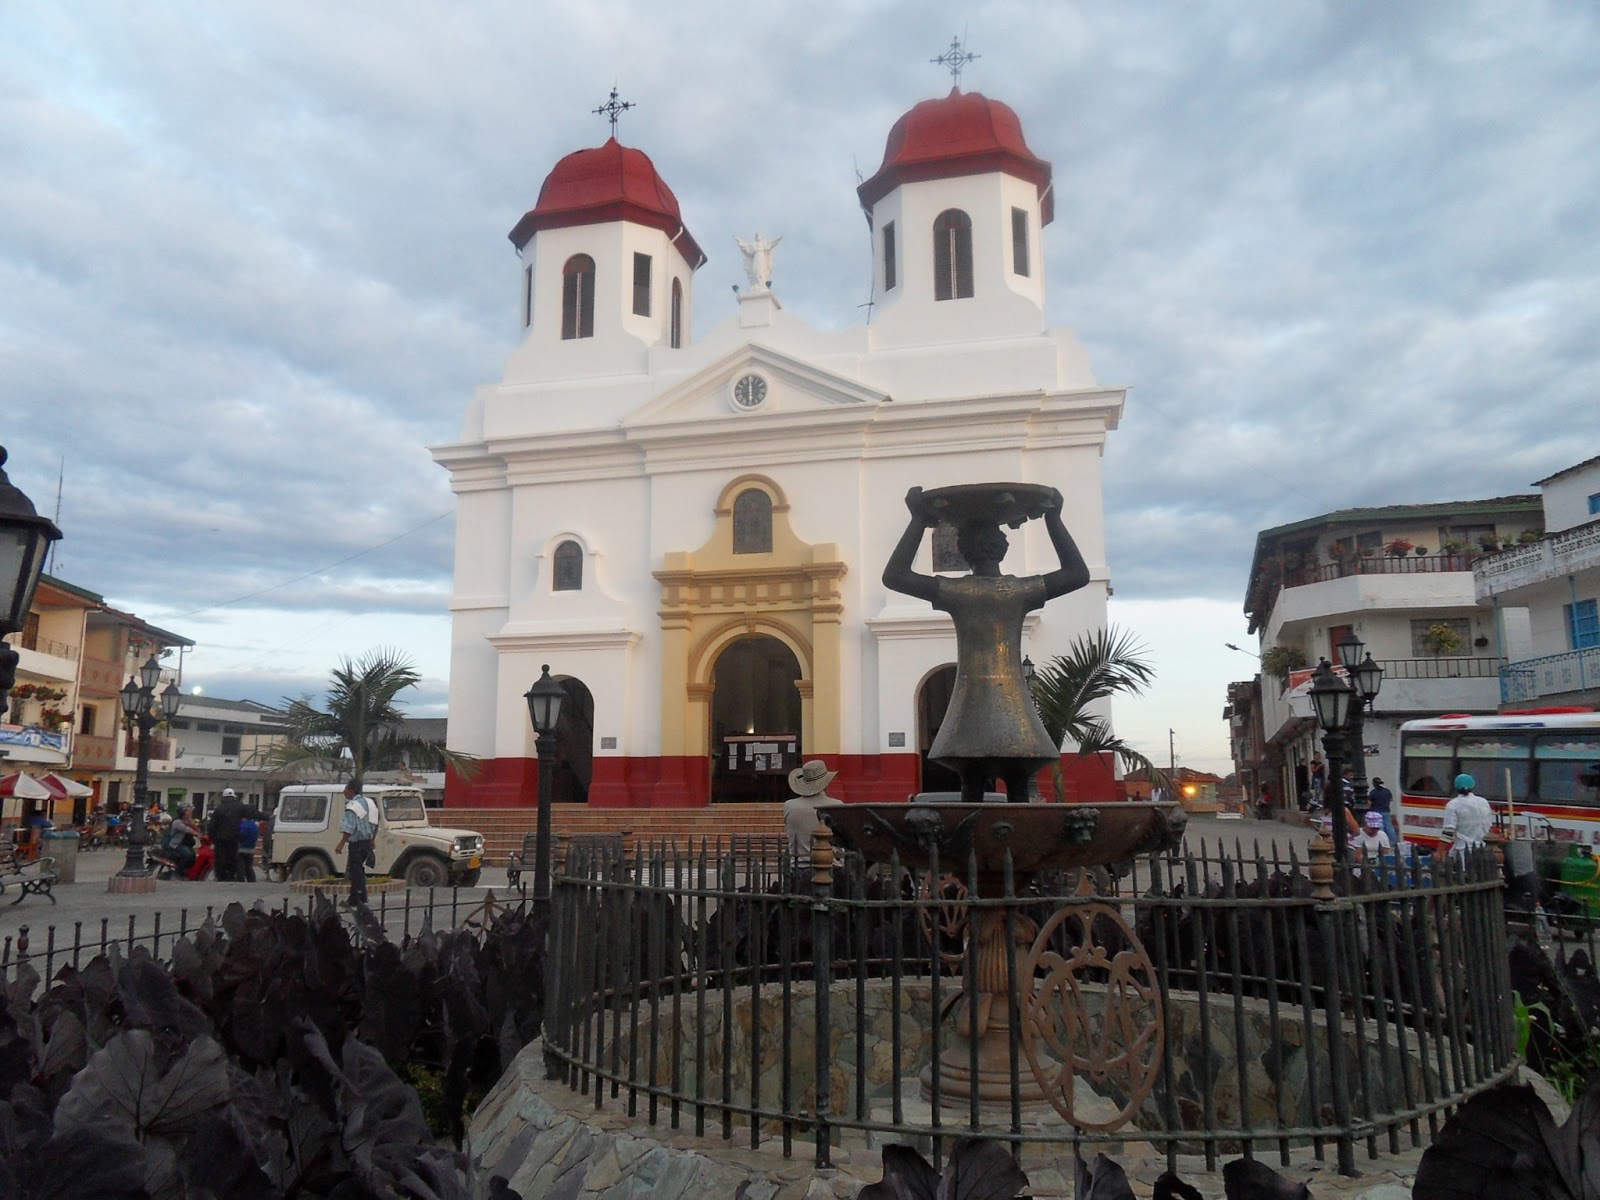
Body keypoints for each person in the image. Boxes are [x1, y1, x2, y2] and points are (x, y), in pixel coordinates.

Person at [883, 484, 1090, 802]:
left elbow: (895, 576)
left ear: (964, 552)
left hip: (968, 715)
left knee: (971, 788)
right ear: (1002, 549)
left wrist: (918, 521)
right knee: (1020, 790)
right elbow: (1077, 573)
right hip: (1017, 714)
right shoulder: (1020, 591)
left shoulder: (958, 592)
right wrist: (1054, 520)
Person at [783, 760, 845, 861]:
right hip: (830, 864)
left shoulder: (789, 806)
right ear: (826, 783)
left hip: (799, 865)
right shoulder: (837, 805)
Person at [334, 779, 379, 907]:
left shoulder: (352, 806)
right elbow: (376, 821)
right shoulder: (369, 802)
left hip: (357, 843)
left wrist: (341, 844)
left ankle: (355, 898)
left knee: (355, 871)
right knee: (359, 869)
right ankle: (362, 896)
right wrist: (372, 839)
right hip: (367, 842)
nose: (344, 791)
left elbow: (349, 827)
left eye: (346, 789)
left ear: (352, 790)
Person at [207, 787, 263, 882]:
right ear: (234, 797)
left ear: (223, 797)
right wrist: (267, 816)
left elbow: (212, 826)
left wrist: (212, 838)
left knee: (221, 859)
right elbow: (254, 813)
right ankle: (231, 876)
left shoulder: (218, 809)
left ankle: (221, 877)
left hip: (220, 841)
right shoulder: (239, 807)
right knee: (232, 858)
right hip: (234, 840)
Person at [1441, 772, 1494, 859]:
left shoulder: (1453, 804)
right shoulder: (1483, 802)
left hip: (1463, 851)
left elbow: (1448, 831)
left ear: (1455, 787)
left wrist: (1439, 851)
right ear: (1473, 786)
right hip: (1484, 849)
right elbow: (1489, 825)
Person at [162, 804, 201, 876]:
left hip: (186, 844)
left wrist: (197, 829)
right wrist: (198, 835)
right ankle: (178, 873)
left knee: (194, 856)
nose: (190, 812)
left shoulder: (189, 821)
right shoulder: (177, 822)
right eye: (188, 811)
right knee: (187, 855)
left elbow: (197, 829)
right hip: (176, 845)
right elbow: (187, 830)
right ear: (182, 812)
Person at [1353, 809, 1393, 877]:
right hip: (1362, 865)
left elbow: (1385, 852)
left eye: (1377, 828)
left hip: (1378, 864)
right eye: (1372, 828)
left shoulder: (1382, 835)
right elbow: (1357, 855)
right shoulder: (1359, 834)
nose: (1375, 830)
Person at [1368, 777, 1397, 845]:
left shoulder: (1373, 792)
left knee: (1380, 828)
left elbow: (1369, 803)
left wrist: (1368, 810)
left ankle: (1382, 842)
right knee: (1389, 827)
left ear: (1374, 783)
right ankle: (1393, 842)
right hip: (1386, 811)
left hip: (1376, 812)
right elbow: (1391, 799)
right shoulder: (1387, 791)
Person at [237, 813, 260, 883]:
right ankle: (252, 880)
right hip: (251, 849)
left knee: (240, 866)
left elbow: (241, 836)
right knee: (249, 866)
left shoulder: (243, 826)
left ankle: (240, 880)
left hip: (241, 849)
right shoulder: (254, 826)